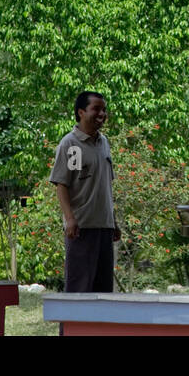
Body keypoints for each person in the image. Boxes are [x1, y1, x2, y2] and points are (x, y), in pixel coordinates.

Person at [51, 91, 120, 293]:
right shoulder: (70, 144)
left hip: (104, 227)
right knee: (78, 288)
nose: (102, 114)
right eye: (96, 109)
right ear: (81, 112)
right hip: (82, 228)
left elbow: (105, 185)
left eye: (104, 110)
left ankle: (98, 326)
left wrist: (113, 221)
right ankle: (70, 326)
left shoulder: (104, 143)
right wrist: (70, 219)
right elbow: (61, 184)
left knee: (103, 290)